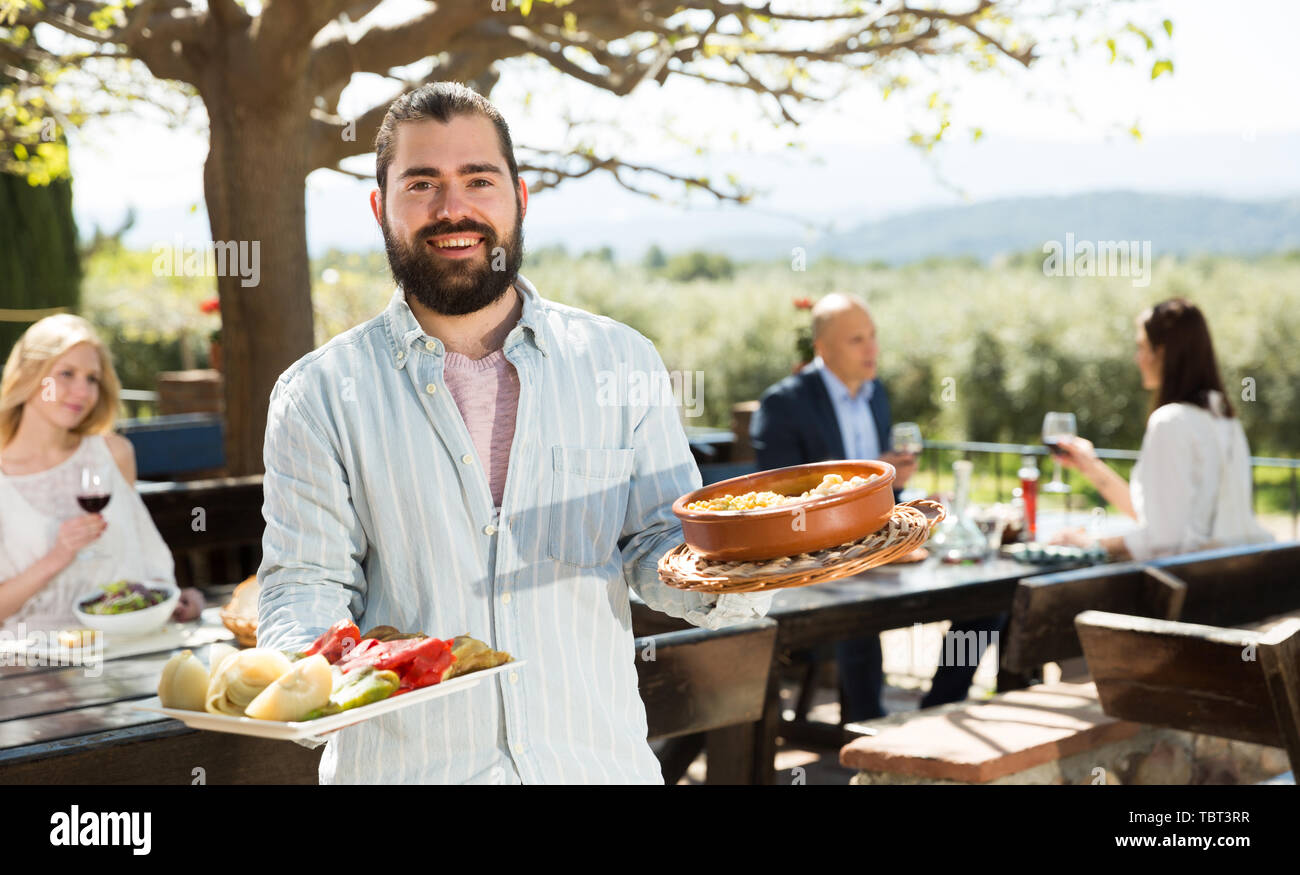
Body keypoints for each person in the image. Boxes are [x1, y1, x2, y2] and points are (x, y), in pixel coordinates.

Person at [255, 82, 772, 785]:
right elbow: (305, 584)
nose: (452, 208)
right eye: (422, 183)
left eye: (477, 179)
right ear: (382, 208)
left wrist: (755, 559)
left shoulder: (620, 361)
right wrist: (303, 671)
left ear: (519, 197)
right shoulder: (317, 395)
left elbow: (660, 544)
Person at [750, 293, 1000, 721]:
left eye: (873, 336)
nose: (871, 349)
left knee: (987, 598)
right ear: (823, 348)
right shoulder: (785, 405)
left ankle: (935, 710)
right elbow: (781, 506)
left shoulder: (876, 393)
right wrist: (874, 479)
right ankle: (867, 728)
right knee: (858, 614)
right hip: (821, 563)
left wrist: (902, 488)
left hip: (882, 549)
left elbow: (884, 488)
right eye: (856, 340)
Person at [0, 315, 192, 632]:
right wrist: (58, 556)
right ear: (29, 376)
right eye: (67, 374)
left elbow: (137, 554)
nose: (82, 391)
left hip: (123, 641)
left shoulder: (114, 454)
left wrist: (174, 600)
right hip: (33, 661)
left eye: (92, 379)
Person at [1053, 298, 1272, 560]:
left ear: (1164, 353)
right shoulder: (1224, 418)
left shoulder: (1170, 422)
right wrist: (1090, 465)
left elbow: (1164, 540)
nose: (1138, 358)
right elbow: (1162, 517)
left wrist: (1089, 545)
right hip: (1238, 583)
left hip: (1193, 590)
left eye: (1142, 347)